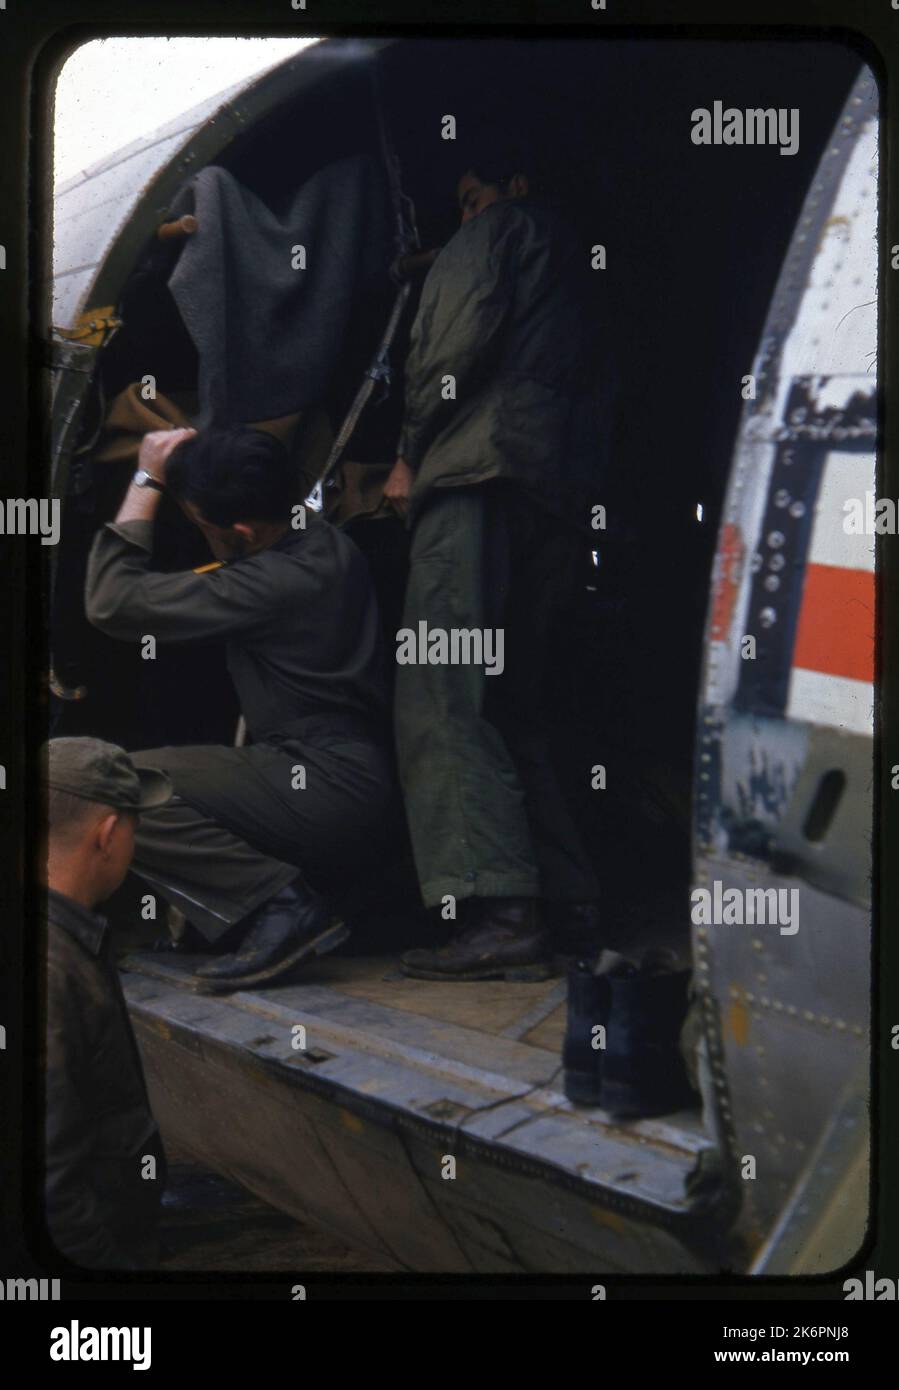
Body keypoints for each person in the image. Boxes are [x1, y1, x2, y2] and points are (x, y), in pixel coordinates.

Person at [382, 149, 605, 981]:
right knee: (515, 704)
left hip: (474, 476)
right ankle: (571, 910)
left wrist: (410, 452)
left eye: (469, 198)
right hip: (551, 490)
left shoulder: (502, 229)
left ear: (512, 186)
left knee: (444, 694)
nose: (464, 215)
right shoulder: (583, 270)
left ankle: (499, 913)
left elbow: (448, 345)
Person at [84, 424, 395, 991]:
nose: (196, 534)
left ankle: (285, 908)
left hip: (328, 783)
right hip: (339, 776)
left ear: (244, 530)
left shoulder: (277, 579)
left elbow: (111, 601)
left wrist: (147, 477)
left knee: (104, 784)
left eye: (199, 524)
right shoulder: (312, 537)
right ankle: (242, 913)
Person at [43, 736, 173, 1268]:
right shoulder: (53, 967)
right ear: (109, 834)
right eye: (134, 827)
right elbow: (50, 1191)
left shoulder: (67, 939)